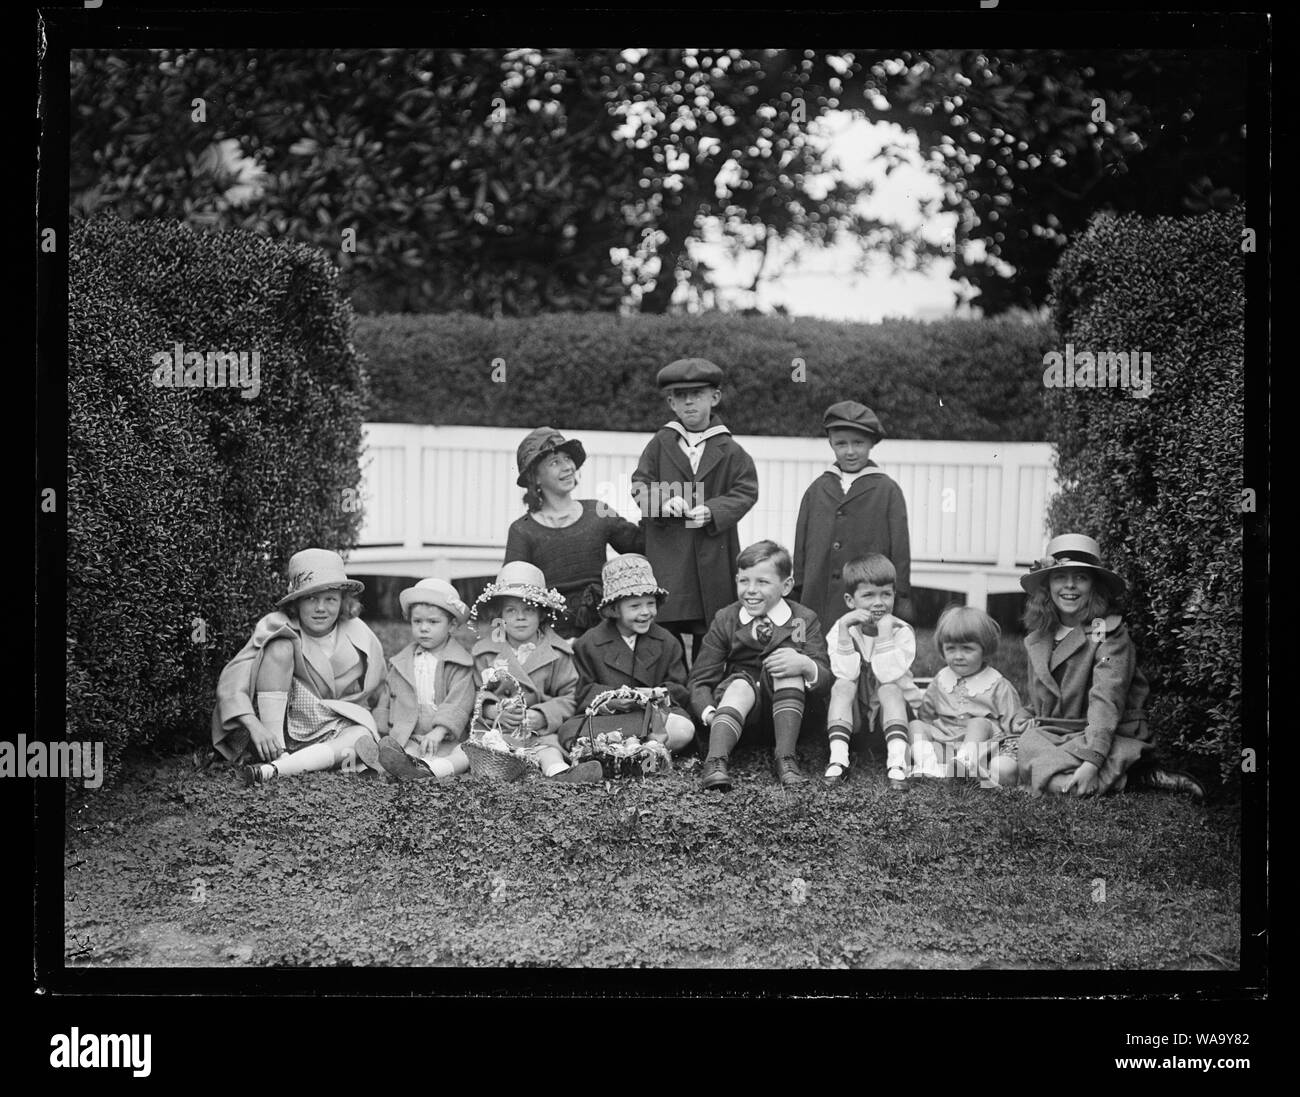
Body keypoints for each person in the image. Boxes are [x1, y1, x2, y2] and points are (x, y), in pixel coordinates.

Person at [1015, 534, 1204, 799]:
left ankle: (1118, 774)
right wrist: (1026, 715)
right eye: (1060, 577)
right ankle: (1099, 779)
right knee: (1029, 744)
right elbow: (1043, 695)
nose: (1069, 586)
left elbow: (1107, 699)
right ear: (1047, 585)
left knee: (1042, 767)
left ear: (1095, 585)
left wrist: (1093, 760)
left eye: (1081, 577)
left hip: (1102, 730)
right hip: (1053, 732)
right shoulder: (1040, 636)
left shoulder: (1109, 633)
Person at [212, 548, 386, 786]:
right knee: (280, 646)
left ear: (343, 602)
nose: (320, 608)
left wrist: (386, 729)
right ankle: (277, 754)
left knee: (361, 738)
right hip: (278, 727)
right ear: (296, 601)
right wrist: (255, 726)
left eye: (330, 599)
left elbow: (380, 690)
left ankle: (277, 769)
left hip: (331, 726)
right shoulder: (276, 626)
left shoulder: (359, 633)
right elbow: (233, 683)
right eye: (311, 598)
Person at [632, 358, 759, 661]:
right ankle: (670, 688)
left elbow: (746, 490)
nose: (689, 402)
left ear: (714, 398)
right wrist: (662, 501)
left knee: (712, 626)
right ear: (671, 402)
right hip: (669, 555)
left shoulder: (730, 450)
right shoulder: (660, 443)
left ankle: (706, 688)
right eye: (681, 395)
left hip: (712, 553)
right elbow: (640, 484)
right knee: (664, 626)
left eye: (698, 394)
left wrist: (714, 510)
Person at [688, 540, 831, 791]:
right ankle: (716, 761)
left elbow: (825, 677)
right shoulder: (727, 618)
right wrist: (710, 713)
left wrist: (806, 664)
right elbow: (700, 679)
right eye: (744, 581)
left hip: (790, 717)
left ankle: (786, 759)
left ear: (786, 586)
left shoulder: (802, 619)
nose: (751, 590)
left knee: (789, 666)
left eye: (763, 582)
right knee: (740, 684)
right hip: (741, 718)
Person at [469, 561, 602, 783]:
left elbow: (569, 696)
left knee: (550, 751)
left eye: (528, 609)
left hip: (538, 731)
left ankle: (561, 774)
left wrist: (541, 715)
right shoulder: (486, 652)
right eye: (511, 610)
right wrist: (491, 710)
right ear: (499, 615)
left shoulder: (557, 653)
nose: (520, 617)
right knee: (482, 752)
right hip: (497, 729)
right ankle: (436, 768)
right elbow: (474, 691)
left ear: (542, 614)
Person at [504, 427, 643, 639]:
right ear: (535, 478)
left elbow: (641, 544)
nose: (567, 467)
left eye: (567, 458)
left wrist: (662, 511)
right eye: (554, 462)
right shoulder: (522, 530)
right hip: (551, 635)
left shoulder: (597, 512)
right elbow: (514, 591)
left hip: (604, 630)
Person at [792, 400, 913, 632]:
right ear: (831, 444)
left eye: (858, 443)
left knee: (863, 648)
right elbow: (802, 542)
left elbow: (900, 547)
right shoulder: (818, 488)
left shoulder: (887, 490)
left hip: (867, 595)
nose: (849, 451)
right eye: (841, 444)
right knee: (820, 649)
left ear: (871, 444)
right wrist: (800, 584)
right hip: (819, 594)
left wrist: (902, 593)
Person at [557, 554, 697, 755]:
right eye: (635, 606)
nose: (646, 612)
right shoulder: (589, 643)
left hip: (654, 717)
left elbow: (679, 688)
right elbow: (582, 690)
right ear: (613, 609)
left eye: (650, 603)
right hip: (609, 719)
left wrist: (656, 694)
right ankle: (639, 752)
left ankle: (619, 753)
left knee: (683, 729)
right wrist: (611, 701)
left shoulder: (667, 641)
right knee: (570, 731)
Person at [821, 554, 925, 791]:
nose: (879, 602)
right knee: (842, 685)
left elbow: (887, 674)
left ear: (894, 596)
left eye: (885, 594)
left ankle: (897, 763)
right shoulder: (841, 629)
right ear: (850, 600)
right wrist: (846, 630)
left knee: (889, 688)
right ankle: (838, 758)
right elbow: (845, 672)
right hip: (854, 723)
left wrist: (885, 633)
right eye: (868, 595)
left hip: (891, 722)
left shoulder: (901, 630)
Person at [357, 578, 476, 782]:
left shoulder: (458, 664)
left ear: (452, 625)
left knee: (464, 754)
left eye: (433, 622)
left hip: (445, 738)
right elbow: (388, 698)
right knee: (405, 752)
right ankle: (391, 763)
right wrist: (381, 731)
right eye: (417, 621)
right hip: (410, 734)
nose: (423, 628)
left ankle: (431, 769)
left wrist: (439, 731)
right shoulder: (402, 662)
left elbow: (459, 702)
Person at [907, 605, 1022, 789]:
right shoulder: (941, 679)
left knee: (978, 722)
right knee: (915, 726)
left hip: (982, 749)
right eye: (951, 649)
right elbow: (926, 715)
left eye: (967, 649)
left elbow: (1013, 726)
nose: (958, 656)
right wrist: (926, 736)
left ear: (985, 649)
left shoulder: (997, 684)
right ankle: (929, 766)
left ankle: (966, 763)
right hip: (946, 745)